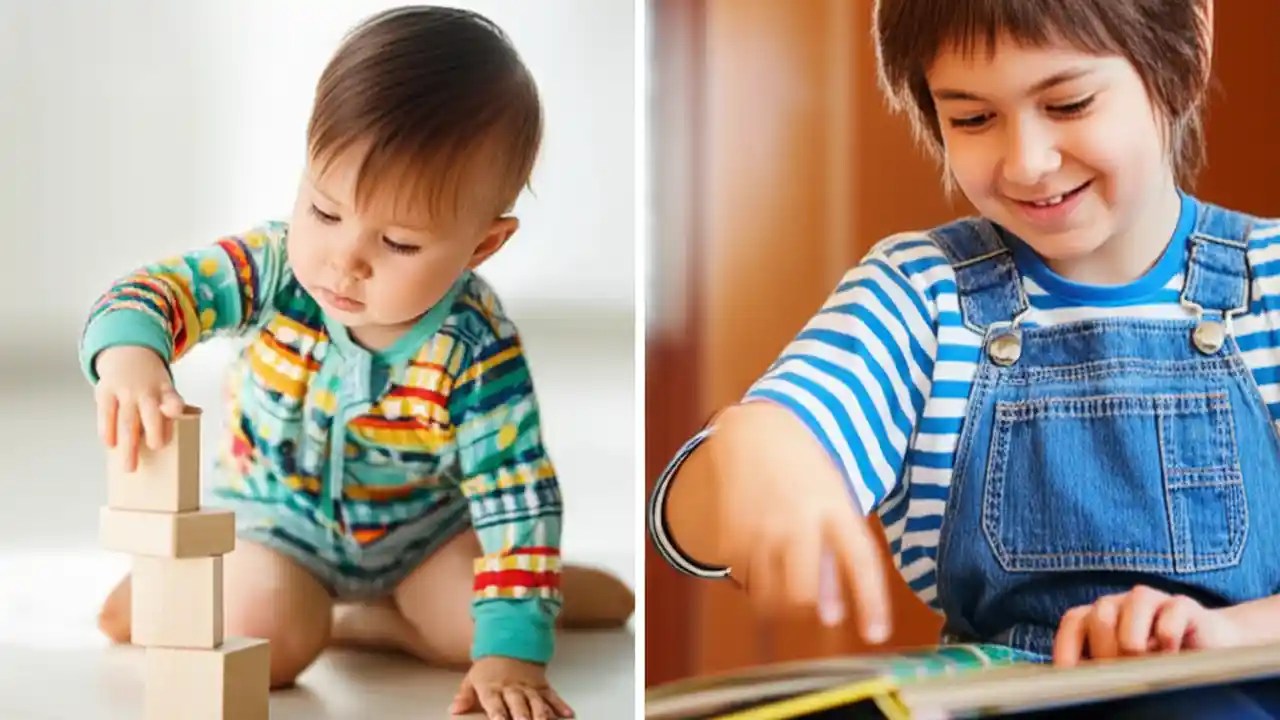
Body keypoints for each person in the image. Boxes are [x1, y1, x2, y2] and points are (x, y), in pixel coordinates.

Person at [649, 0, 1280, 676]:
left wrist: (1225, 633)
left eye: (1068, 103)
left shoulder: (1267, 281)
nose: (1028, 162)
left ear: (1189, 51)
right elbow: (691, 526)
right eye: (973, 118)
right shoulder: (919, 295)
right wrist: (755, 445)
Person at [80, 6, 632, 719]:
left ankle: (504, 596)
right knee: (269, 643)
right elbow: (152, 293)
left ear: (481, 247)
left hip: (419, 537)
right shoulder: (276, 268)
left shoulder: (474, 348)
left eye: (399, 243)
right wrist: (131, 356)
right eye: (324, 210)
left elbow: (513, 491)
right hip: (276, 523)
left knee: (478, 637)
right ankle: (249, 601)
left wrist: (511, 652)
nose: (344, 261)